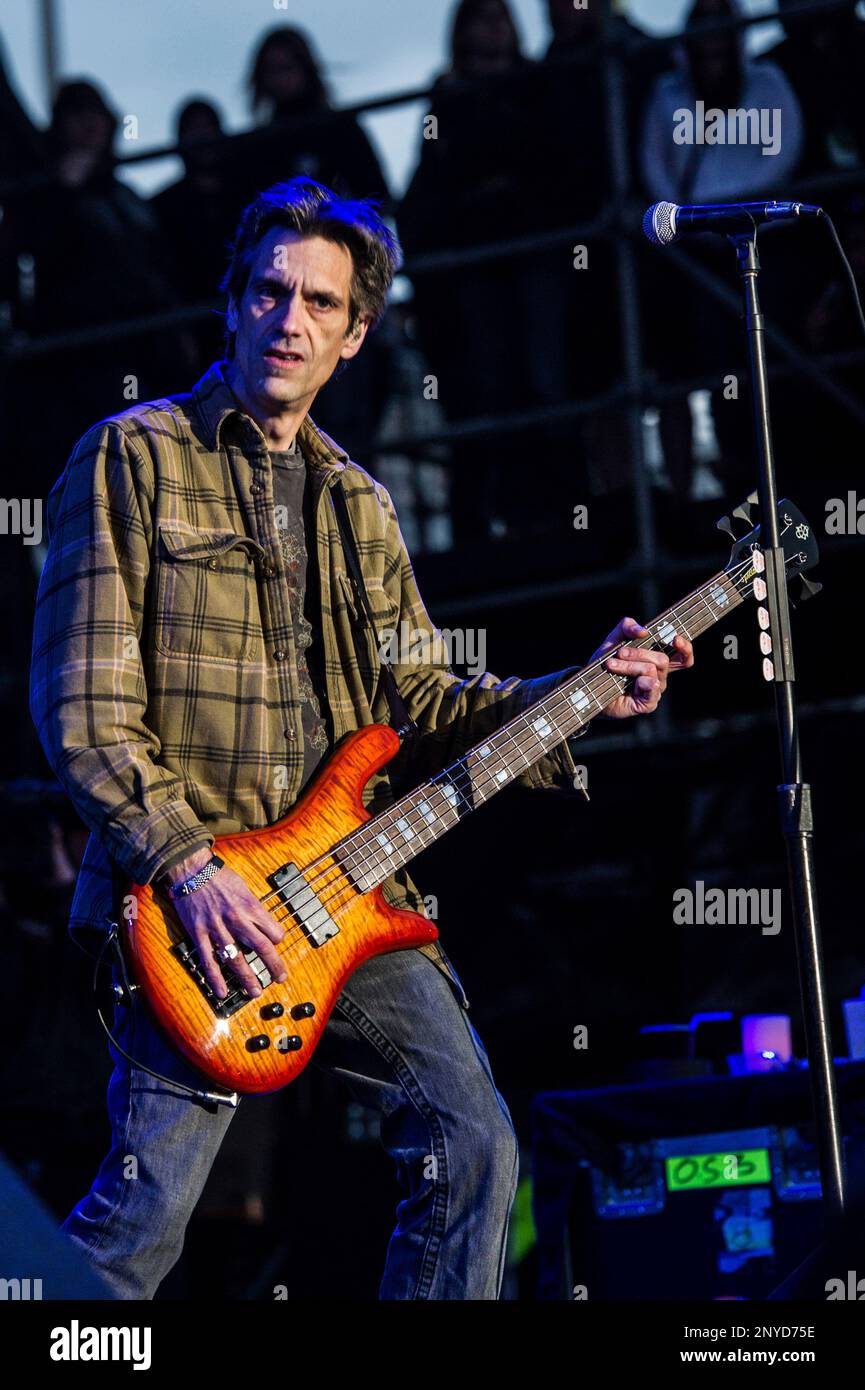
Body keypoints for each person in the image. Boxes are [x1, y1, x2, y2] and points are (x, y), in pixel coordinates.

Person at [29, 177, 694, 1300]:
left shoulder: (361, 504)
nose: (291, 319)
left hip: (347, 895)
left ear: (356, 331)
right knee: (141, 1226)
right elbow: (81, 710)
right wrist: (187, 864)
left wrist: (583, 688)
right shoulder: (130, 458)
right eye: (271, 291)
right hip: (188, 910)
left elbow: (426, 699)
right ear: (232, 303)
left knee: (475, 1144)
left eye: (320, 303)